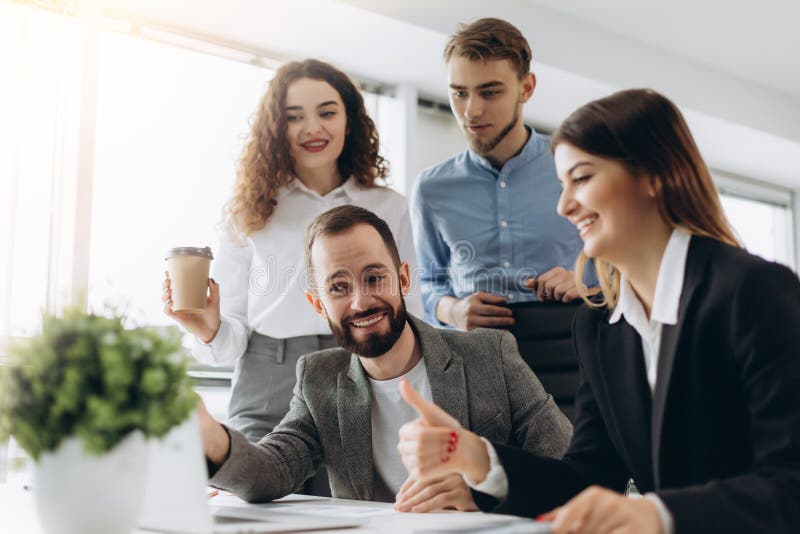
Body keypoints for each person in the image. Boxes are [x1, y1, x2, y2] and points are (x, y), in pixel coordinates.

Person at [397, 89, 800, 533]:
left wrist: (656, 514)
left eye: (582, 178)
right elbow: (587, 477)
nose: (563, 205)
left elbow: (789, 483)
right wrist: (479, 459)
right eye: (561, 184)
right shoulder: (599, 327)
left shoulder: (755, 292)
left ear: (653, 175)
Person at [197, 205, 572, 509]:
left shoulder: (490, 354)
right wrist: (212, 438)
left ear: (403, 279)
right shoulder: (319, 378)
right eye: (338, 287)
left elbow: (571, 471)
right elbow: (272, 471)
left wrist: (484, 489)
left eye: (375, 278)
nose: (360, 302)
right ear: (318, 304)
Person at [161, 59, 423, 445]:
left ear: (349, 120)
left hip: (362, 365)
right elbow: (230, 341)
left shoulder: (390, 207)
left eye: (327, 112)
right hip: (268, 378)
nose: (312, 128)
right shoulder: (248, 212)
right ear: (275, 129)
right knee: (248, 491)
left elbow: (410, 310)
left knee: (352, 502)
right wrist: (208, 328)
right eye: (294, 116)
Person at [411, 18, 593, 331]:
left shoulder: (576, 169)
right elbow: (423, 282)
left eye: (489, 92)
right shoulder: (431, 188)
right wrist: (451, 309)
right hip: (473, 360)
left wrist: (585, 285)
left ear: (526, 88)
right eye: (459, 94)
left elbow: (622, 268)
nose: (471, 111)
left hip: (570, 346)